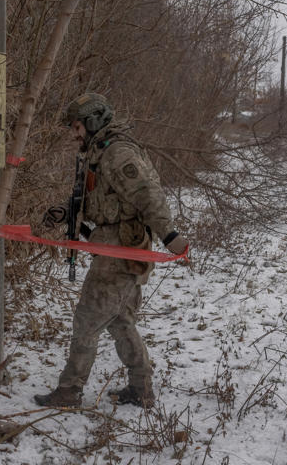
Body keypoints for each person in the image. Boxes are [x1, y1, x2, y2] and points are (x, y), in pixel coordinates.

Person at [34, 93, 188, 408]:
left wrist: (169, 235)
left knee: (87, 319)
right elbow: (96, 199)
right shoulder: (98, 152)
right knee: (120, 320)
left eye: (77, 127)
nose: (74, 134)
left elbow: (149, 195)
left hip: (121, 249)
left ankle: (69, 391)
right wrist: (66, 212)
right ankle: (141, 387)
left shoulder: (117, 153)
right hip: (112, 245)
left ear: (92, 122)